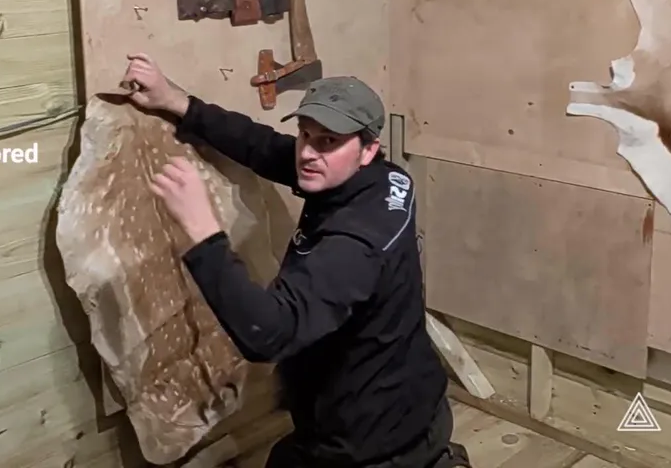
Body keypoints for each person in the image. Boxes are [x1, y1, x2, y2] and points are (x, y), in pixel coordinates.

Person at [120, 53, 471, 468]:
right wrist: (176, 101)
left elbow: (267, 334)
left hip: (369, 438)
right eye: (305, 134)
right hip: (408, 397)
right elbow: (265, 147)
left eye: (328, 141)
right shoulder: (385, 178)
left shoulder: (355, 243)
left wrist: (202, 231)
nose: (308, 152)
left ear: (367, 149)